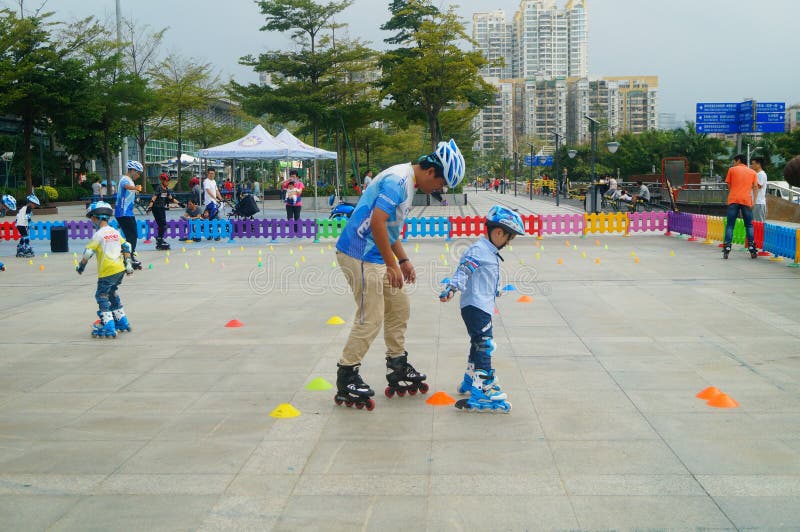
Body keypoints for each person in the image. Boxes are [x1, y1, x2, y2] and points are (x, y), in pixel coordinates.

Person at [333, 139, 466, 410]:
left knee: (399, 307)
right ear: (431, 172)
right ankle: (346, 376)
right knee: (369, 317)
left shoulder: (407, 183)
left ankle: (398, 366)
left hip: (375, 256)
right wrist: (392, 264)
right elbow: (377, 222)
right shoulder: (397, 181)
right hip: (358, 253)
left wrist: (402, 260)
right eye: (440, 184)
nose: (438, 190)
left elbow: (389, 229)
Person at [439, 205, 523, 413]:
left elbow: (484, 275)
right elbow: (464, 270)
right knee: (485, 344)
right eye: (508, 238)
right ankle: (484, 386)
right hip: (477, 307)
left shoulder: (488, 251)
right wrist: (452, 287)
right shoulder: (478, 250)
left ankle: (469, 379)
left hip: (480, 305)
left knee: (477, 343)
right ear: (498, 232)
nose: (508, 242)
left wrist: (496, 290)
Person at [76, 201, 135, 338]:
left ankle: (108, 325)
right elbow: (127, 246)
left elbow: (87, 253)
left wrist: (81, 267)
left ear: (96, 218)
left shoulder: (99, 234)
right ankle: (122, 321)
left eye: (92, 218)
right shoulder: (114, 232)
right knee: (112, 293)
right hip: (119, 269)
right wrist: (128, 263)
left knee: (101, 296)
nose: (92, 221)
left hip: (107, 270)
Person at [723, 154, 759, 259]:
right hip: (746, 201)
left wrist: (733, 193)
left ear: (738, 160)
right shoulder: (752, 172)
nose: (733, 163)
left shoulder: (732, 170)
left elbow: (728, 184)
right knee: (749, 225)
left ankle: (727, 247)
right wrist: (754, 202)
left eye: (734, 161)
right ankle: (752, 247)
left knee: (730, 225)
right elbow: (755, 187)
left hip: (733, 199)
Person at [115, 161, 144, 270]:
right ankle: (129, 257)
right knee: (132, 235)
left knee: (131, 235)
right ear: (132, 170)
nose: (138, 175)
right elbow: (126, 186)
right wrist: (135, 188)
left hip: (127, 212)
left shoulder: (130, 180)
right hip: (123, 212)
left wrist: (135, 192)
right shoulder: (125, 179)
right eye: (138, 172)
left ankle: (128, 257)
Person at [146, 173, 183, 250]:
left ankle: (160, 239)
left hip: (161, 208)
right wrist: (150, 206)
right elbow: (154, 197)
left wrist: (179, 203)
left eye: (168, 181)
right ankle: (159, 239)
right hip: (156, 208)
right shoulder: (158, 188)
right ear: (162, 180)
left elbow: (171, 198)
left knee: (163, 225)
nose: (168, 182)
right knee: (162, 224)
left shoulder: (166, 189)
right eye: (167, 181)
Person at [751, 156, 768, 222]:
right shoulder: (756, 174)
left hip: (759, 202)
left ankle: (760, 233)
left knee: (759, 223)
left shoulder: (761, 174)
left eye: (753, 164)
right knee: (754, 223)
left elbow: (758, 186)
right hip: (755, 202)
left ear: (758, 164)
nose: (751, 165)